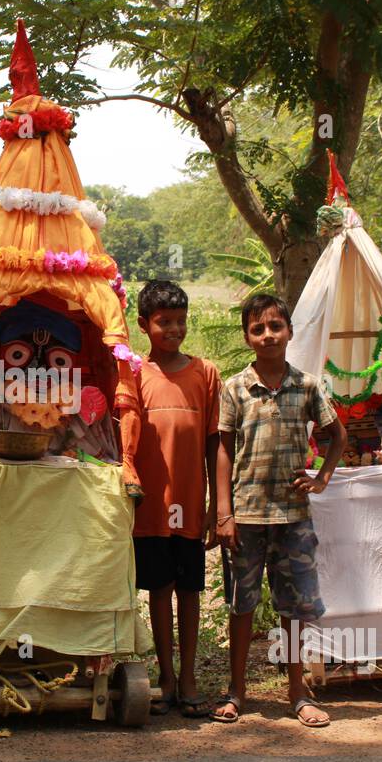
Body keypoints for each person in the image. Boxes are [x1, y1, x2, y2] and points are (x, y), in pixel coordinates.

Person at [213, 294, 346, 726]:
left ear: (289, 331)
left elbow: (336, 435)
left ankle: (296, 691)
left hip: (292, 516)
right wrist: (224, 513)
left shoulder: (307, 386)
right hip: (247, 516)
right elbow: (223, 450)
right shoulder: (235, 388)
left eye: (275, 326)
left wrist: (322, 477)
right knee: (242, 606)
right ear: (247, 336)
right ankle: (236, 691)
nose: (267, 335)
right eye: (257, 328)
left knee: (293, 609)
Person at [131, 280, 220, 717]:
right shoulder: (133, 374)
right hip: (148, 507)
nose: (174, 329)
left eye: (181, 321)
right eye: (164, 322)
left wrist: (217, 505)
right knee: (159, 589)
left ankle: (189, 678)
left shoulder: (205, 374)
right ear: (144, 324)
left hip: (191, 504)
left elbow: (215, 445)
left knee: (189, 590)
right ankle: (165, 677)